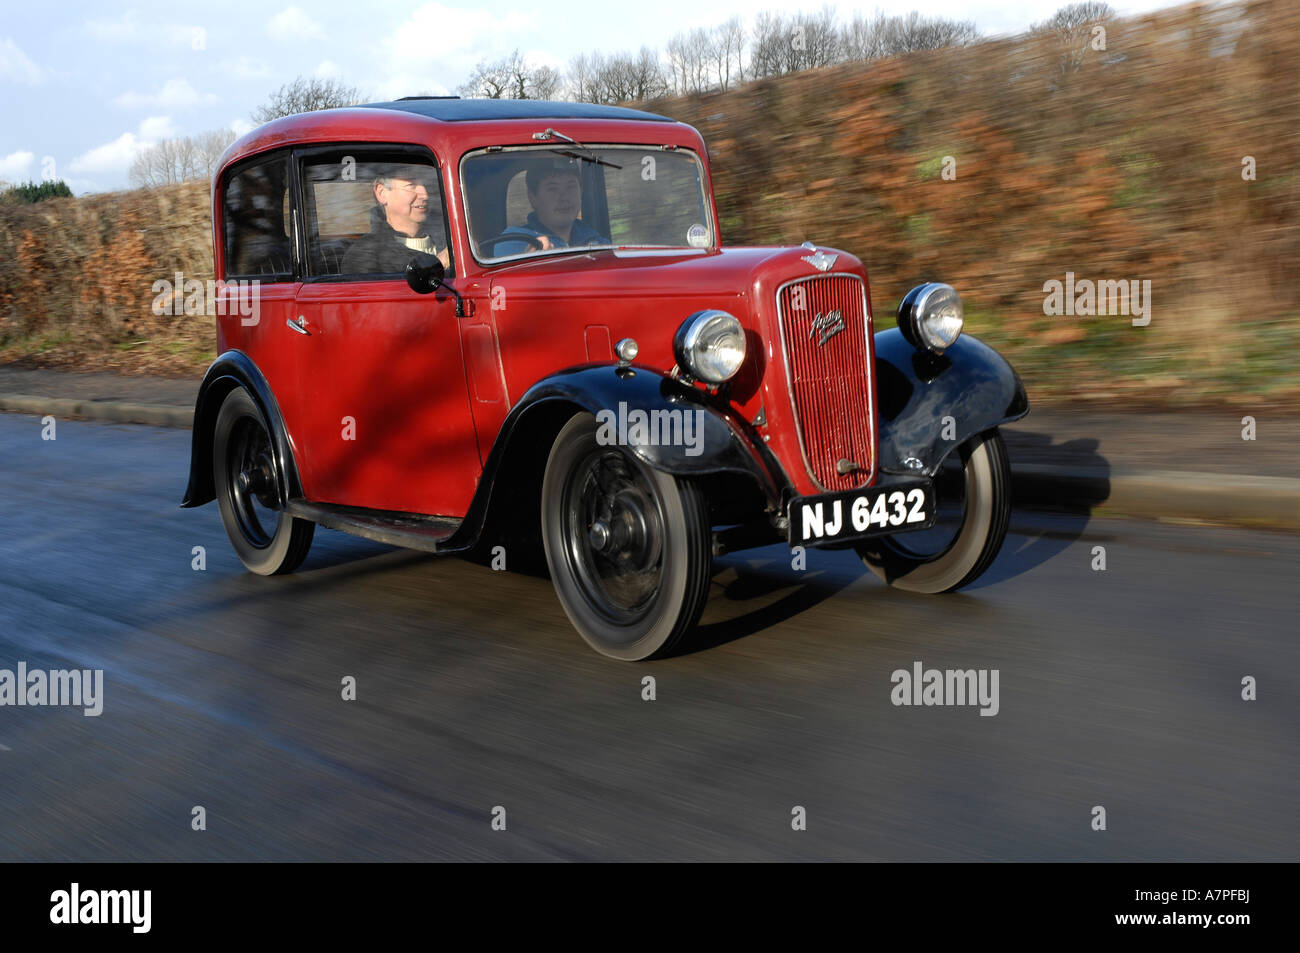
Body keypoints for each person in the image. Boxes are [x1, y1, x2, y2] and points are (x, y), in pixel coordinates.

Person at [342, 163, 450, 275]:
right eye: (411, 185)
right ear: (382, 193)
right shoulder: (364, 254)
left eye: (428, 185)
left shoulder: (455, 241)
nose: (425, 195)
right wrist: (438, 265)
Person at [492, 157, 608, 256]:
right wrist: (531, 257)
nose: (564, 197)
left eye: (571, 186)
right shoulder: (513, 241)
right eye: (552, 189)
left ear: (581, 191)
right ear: (533, 198)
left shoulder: (596, 240)